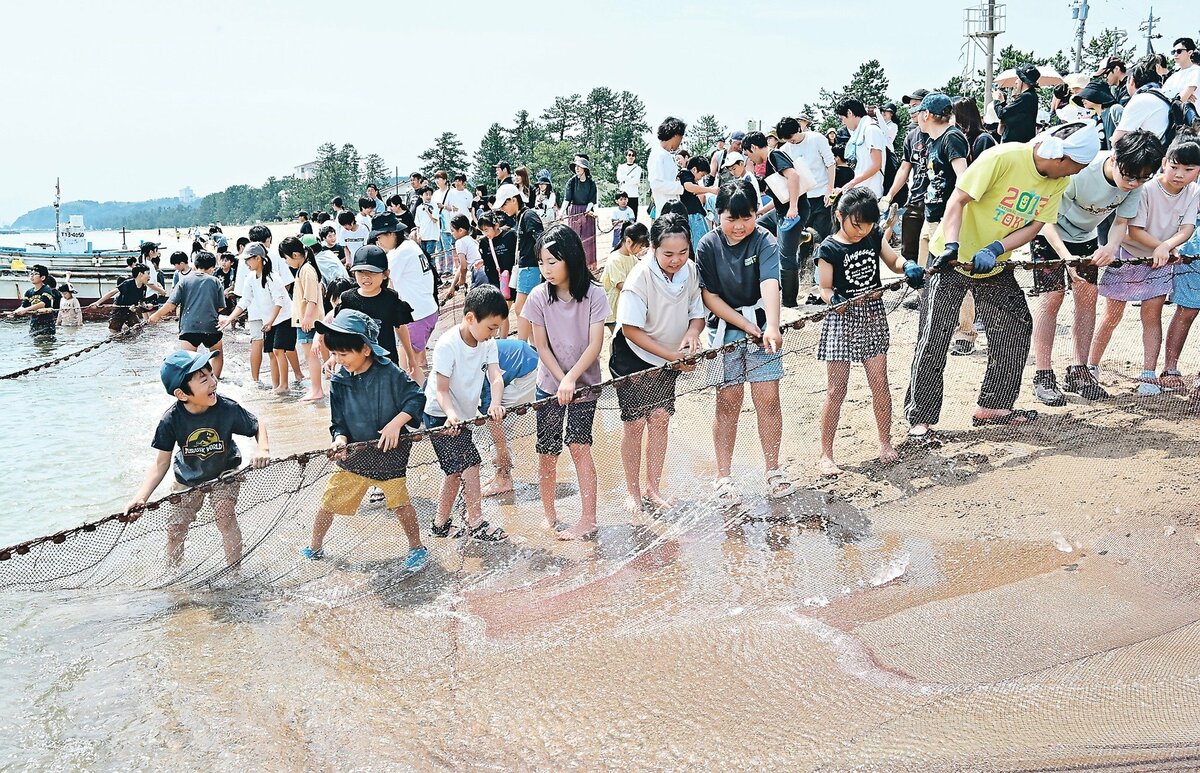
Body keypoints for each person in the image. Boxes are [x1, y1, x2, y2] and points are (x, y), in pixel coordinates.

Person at [905, 122, 1100, 438]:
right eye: (1074, 166)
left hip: (994, 263)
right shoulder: (1004, 157)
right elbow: (957, 200)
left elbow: (1036, 224)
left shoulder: (1057, 182)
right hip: (951, 259)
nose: (1074, 174)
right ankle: (920, 420)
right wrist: (953, 245)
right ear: (1058, 154)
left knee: (1016, 326)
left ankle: (994, 406)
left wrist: (998, 248)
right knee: (934, 336)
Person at [1028, 130, 1164, 404]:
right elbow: (1045, 218)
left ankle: (1079, 370)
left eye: (1143, 178)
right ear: (1114, 160)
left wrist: (1111, 247)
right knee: (1051, 300)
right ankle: (1043, 375)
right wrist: (1065, 256)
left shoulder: (1135, 185)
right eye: (1129, 177)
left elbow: (1121, 223)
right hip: (1049, 235)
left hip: (1086, 238)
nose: (1134, 184)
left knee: (1087, 299)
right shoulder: (1081, 172)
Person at [303, 310, 429, 572]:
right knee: (329, 502)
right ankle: (314, 546)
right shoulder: (339, 380)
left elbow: (416, 398)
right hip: (355, 455)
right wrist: (339, 441)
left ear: (366, 349)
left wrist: (397, 423)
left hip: (390, 452)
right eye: (335, 354)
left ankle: (416, 547)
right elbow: (338, 422)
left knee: (400, 504)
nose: (338, 360)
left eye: (344, 354)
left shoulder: (390, 372)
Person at [697, 180, 795, 504]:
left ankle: (773, 469)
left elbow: (770, 282)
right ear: (717, 214)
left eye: (747, 217)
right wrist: (745, 325)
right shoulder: (708, 246)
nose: (739, 226)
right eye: (731, 218)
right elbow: (709, 296)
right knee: (727, 403)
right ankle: (723, 476)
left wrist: (772, 325)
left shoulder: (765, 239)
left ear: (756, 213)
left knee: (768, 399)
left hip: (762, 322)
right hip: (726, 329)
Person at [124, 349, 270, 568]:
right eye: (204, 379)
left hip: (225, 473)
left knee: (225, 516)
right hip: (188, 479)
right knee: (175, 529)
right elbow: (160, 464)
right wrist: (141, 497)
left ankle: (234, 571)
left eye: (211, 375)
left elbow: (257, 425)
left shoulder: (227, 409)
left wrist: (263, 449)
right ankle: (174, 576)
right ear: (182, 394)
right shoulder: (170, 420)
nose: (214, 382)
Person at [816, 188, 926, 476]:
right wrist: (833, 300)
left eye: (866, 226)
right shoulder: (828, 249)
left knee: (880, 382)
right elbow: (825, 288)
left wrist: (909, 266)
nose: (861, 231)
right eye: (855, 225)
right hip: (841, 319)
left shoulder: (873, 236)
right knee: (836, 389)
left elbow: (893, 261)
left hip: (873, 316)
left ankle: (885, 442)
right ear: (840, 216)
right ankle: (826, 454)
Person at [1090, 130, 1200, 395]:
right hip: (1130, 256)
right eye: (1174, 167)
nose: (1179, 174)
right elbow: (1133, 230)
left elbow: (1186, 229)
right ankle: (1090, 365)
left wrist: (1167, 247)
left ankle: (1148, 374)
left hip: (1160, 261)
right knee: (1112, 315)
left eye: (1189, 169)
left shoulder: (1193, 191)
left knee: (1152, 317)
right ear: (1164, 163)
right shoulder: (1147, 188)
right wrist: (1161, 246)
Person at [520, 223, 611, 539]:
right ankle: (549, 514)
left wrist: (572, 380)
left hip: (585, 385)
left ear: (571, 258)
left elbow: (595, 344)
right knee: (547, 451)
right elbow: (540, 346)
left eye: (553, 261)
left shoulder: (595, 295)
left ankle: (588, 518)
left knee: (579, 446)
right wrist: (561, 381)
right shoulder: (537, 297)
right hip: (549, 386)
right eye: (542, 262)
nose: (546, 269)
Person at [609, 214, 704, 514]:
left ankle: (654, 487)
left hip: (667, 353)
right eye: (668, 254)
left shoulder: (689, 271)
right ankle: (632, 492)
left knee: (660, 420)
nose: (676, 260)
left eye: (683, 252)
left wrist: (691, 335)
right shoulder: (639, 278)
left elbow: (697, 314)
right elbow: (631, 330)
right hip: (632, 355)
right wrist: (673, 357)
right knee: (635, 425)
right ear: (651, 248)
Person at [423, 285, 510, 543]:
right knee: (470, 464)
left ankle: (440, 524)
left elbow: (495, 376)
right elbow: (440, 390)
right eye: (491, 327)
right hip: (440, 415)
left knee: (454, 471)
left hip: (462, 415)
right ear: (470, 318)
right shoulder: (447, 345)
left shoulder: (488, 343)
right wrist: (450, 415)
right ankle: (476, 522)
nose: (494, 333)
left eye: (497, 328)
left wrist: (495, 404)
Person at [915, 94, 972, 355]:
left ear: (927, 114)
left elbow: (964, 178)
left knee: (956, 273)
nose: (916, 117)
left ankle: (965, 332)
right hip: (932, 214)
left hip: (947, 218)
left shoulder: (952, 137)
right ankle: (935, 326)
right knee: (931, 274)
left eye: (918, 112)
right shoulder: (932, 140)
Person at [745, 130, 817, 308]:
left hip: (793, 212)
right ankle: (800, 236)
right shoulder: (769, 162)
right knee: (757, 226)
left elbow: (793, 175)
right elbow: (780, 196)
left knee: (787, 257)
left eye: (749, 154)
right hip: (781, 211)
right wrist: (760, 211)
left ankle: (789, 301)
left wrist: (793, 207)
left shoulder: (774, 155)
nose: (751, 160)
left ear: (754, 147)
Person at [335, 245, 421, 384]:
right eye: (360, 272)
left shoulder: (390, 298)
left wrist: (411, 358)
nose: (366, 277)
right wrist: (335, 356)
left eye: (372, 272)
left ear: (385, 273)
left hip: (387, 360)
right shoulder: (347, 299)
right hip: (357, 363)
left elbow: (401, 328)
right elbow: (339, 332)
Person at [219, 243, 293, 392]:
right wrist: (229, 319)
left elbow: (279, 302)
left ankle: (284, 385)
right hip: (269, 320)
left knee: (278, 350)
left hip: (284, 317)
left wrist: (270, 322)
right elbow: (245, 301)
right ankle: (275, 386)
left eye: (248, 260)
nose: (246, 263)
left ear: (258, 258)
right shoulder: (251, 278)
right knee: (271, 353)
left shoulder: (272, 276)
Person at [148, 251, 227, 377]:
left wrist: (156, 315)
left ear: (195, 265)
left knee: (188, 360)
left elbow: (171, 304)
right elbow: (221, 307)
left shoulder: (184, 281)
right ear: (212, 268)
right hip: (210, 327)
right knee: (217, 355)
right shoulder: (215, 281)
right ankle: (214, 380)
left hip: (189, 327)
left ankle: (192, 384)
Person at [378, 213, 439, 374]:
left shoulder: (399, 254)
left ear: (390, 234)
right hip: (428, 309)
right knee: (420, 360)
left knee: (406, 367)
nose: (379, 242)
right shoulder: (410, 245)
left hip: (415, 315)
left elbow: (385, 282)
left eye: (379, 237)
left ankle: (410, 392)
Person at [782, 115, 837, 291]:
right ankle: (807, 283)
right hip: (803, 199)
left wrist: (830, 189)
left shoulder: (817, 139)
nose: (791, 141)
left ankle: (825, 282)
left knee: (822, 239)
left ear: (799, 129)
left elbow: (830, 164)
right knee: (804, 241)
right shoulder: (785, 148)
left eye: (792, 137)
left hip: (822, 195)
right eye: (787, 140)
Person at [479, 337, 540, 497]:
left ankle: (503, 477)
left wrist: (501, 452)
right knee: (500, 425)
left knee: (500, 422)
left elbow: (493, 417)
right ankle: (501, 470)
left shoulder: (473, 378)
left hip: (526, 370)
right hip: (523, 357)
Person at [275, 237, 325, 401]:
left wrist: (307, 318)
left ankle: (317, 390)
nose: (286, 262)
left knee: (311, 356)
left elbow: (312, 298)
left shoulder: (306, 270)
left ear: (295, 255)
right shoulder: (304, 269)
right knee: (311, 355)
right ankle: (316, 388)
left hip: (308, 321)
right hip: (306, 320)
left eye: (286, 258)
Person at [499, 183, 545, 342]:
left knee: (521, 309)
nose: (503, 209)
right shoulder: (520, 217)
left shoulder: (528, 215)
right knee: (526, 310)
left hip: (530, 267)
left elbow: (540, 239)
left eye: (504, 204)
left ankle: (523, 346)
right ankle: (534, 346)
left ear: (513, 200)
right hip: (524, 267)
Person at [833, 98, 887, 198]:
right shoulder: (860, 133)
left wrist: (852, 183)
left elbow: (876, 164)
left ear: (849, 113)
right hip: (862, 192)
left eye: (842, 119)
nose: (843, 123)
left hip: (871, 193)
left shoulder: (871, 129)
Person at [601, 221, 650, 328]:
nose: (641, 249)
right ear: (628, 241)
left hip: (626, 304)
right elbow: (620, 285)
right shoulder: (615, 259)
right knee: (617, 338)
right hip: (615, 307)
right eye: (640, 246)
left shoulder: (632, 257)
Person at [1112, 60, 1171, 146]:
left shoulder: (1140, 100)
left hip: (1153, 155)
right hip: (1168, 150)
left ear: (1132, 80)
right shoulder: (1164, 94)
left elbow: (1117, 142)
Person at [476, 211, 516, 337]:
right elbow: (489, 260)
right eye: (482, 231)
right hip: (494, 280)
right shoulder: (484, 242)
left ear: (496, 225)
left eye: (487, 230)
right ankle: (500, 340)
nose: (485, 234)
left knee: (502, 313)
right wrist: (481, 262)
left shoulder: (510, 236)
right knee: (501, 313)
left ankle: (502, 341)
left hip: (510, 280)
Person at [89, 264, 162, 333]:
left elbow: (141, 301)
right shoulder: (127, 284)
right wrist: (97, 303)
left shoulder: (144, 287)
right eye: (148, 273)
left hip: (130, 312)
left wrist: (146, 306)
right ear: (140, 274)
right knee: (113, 332)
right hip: (119, 311)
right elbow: (112, 292)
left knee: (138, 330)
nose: (149, 277)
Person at [563, 155, 598, 268]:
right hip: (574, 211)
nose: (577, 169)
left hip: (587, 212)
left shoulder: (591, 183)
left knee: (588, 238)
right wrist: (561, 212)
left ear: (585, 169)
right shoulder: (572, 182)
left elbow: (592, 200)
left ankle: (589, 264)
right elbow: (567, 199)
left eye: (579, 166)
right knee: (575, 237)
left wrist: (587, 211)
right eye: (576, 166)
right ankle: (574, 264)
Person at [676, 156, 718, 252]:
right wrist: (710, 190)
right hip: (693, 214)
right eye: (702, 175)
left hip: (695, 213)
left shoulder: (690, 178)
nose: (700, 179)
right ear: (694, 169)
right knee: (701, 243)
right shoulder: (685, 174)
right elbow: (688, 187)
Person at [649, 117, 687, 216]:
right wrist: (680, 186)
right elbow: (656, 183)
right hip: (664, 211)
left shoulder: (667, 155)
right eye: (681, 137)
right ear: (675, 135)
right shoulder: (658, 154)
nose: (681, 142)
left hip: (672, 209)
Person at [994, 64, 1041, 143]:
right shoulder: (1030, 96)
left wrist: (996, 100)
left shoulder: (1026, 97)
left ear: (1023, 80)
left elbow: (1001, 114)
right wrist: (1002, 102)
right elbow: (1008, 114)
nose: (1016, 82)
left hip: (1016, 145)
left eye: (1018, 79)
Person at [1164, 38, 1198, 110]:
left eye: (1179, 51)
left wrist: (1178, 95)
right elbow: (1163, 96)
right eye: (1173, 52)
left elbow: (1181, 99)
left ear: (1190, 52)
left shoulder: (1196, 71)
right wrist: (1179, 94)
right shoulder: (1173, 76)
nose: (1175, 54)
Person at [414, 187, 442, 268]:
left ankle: (434, 275)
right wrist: (418, 235)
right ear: (421, 196)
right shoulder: (419, 208)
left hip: (432, 235)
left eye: (430, 194)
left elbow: (434, 219)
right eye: (426, 194)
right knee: (424, 258)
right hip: (423, 236)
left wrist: (427, 211)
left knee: (431, 257)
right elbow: (417, 224)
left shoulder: (434, 206)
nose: (428, 196)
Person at [616, 149, 644, 218]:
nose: (631, 157)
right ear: (626, 156)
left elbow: (636, 180)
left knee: (633, 217)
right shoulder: (621, 167)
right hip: (623, 195)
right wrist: (630, 177)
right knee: (622, 216)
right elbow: (619, 178)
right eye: (629, 155)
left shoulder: (638, 168)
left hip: (633, 195)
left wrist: (625, 180)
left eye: (633, 155)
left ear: (635, 157)